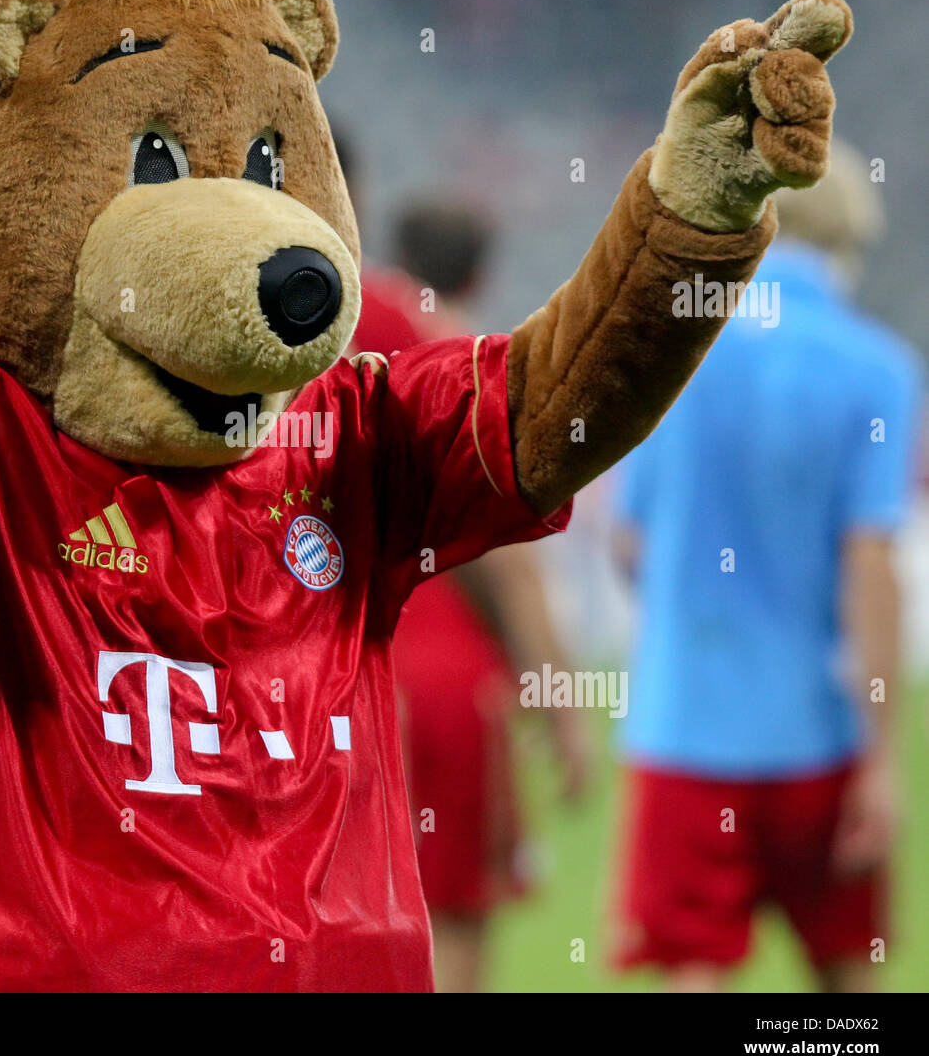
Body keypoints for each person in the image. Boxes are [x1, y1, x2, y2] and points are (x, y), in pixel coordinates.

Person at [612, 142, 922, 993]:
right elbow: (872, 567)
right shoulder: (878, 368)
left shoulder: (673, 348)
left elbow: (629, 542)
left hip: (686, 723)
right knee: (845, 982)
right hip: (814, 731)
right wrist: (880, 750)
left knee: (692, 972)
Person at [345, 152, 590, 992]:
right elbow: (507, 560)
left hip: (317, 678)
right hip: (441, 676)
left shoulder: (282, 321)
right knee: (451, 924)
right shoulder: (442, 348)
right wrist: (560, 705)